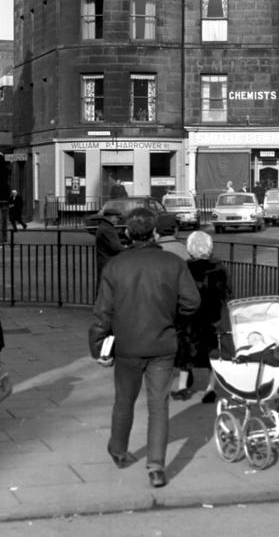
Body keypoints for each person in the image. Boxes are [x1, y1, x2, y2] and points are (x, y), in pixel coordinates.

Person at [88, 208, 201, 489]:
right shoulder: (172, 263)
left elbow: (103, 311)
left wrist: (98, 346)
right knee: (158, 405)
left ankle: (117, 449)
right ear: (154, 233)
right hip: (162, 342)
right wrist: (174, 320)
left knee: (124, 400)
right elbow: (192, 302)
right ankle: (156, 467)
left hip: (127, 344)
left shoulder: (116, 265)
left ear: (128, 233)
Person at [172, 230, 230, 404]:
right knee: (213, 351)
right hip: (213, 315)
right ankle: (210, 388)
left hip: (191, 315)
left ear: (190, 248)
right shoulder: (219, 268)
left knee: (186, 349)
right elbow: (226, 293)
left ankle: (182, 386)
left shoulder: (185, 268)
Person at [94, 211, 123, 287]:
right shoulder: (107, 230)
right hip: (108, 263)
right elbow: (116, 247)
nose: (118, 220)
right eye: (117, 218)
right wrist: (127, 248)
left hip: (104, 261)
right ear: (111, 217)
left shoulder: (104, 227)